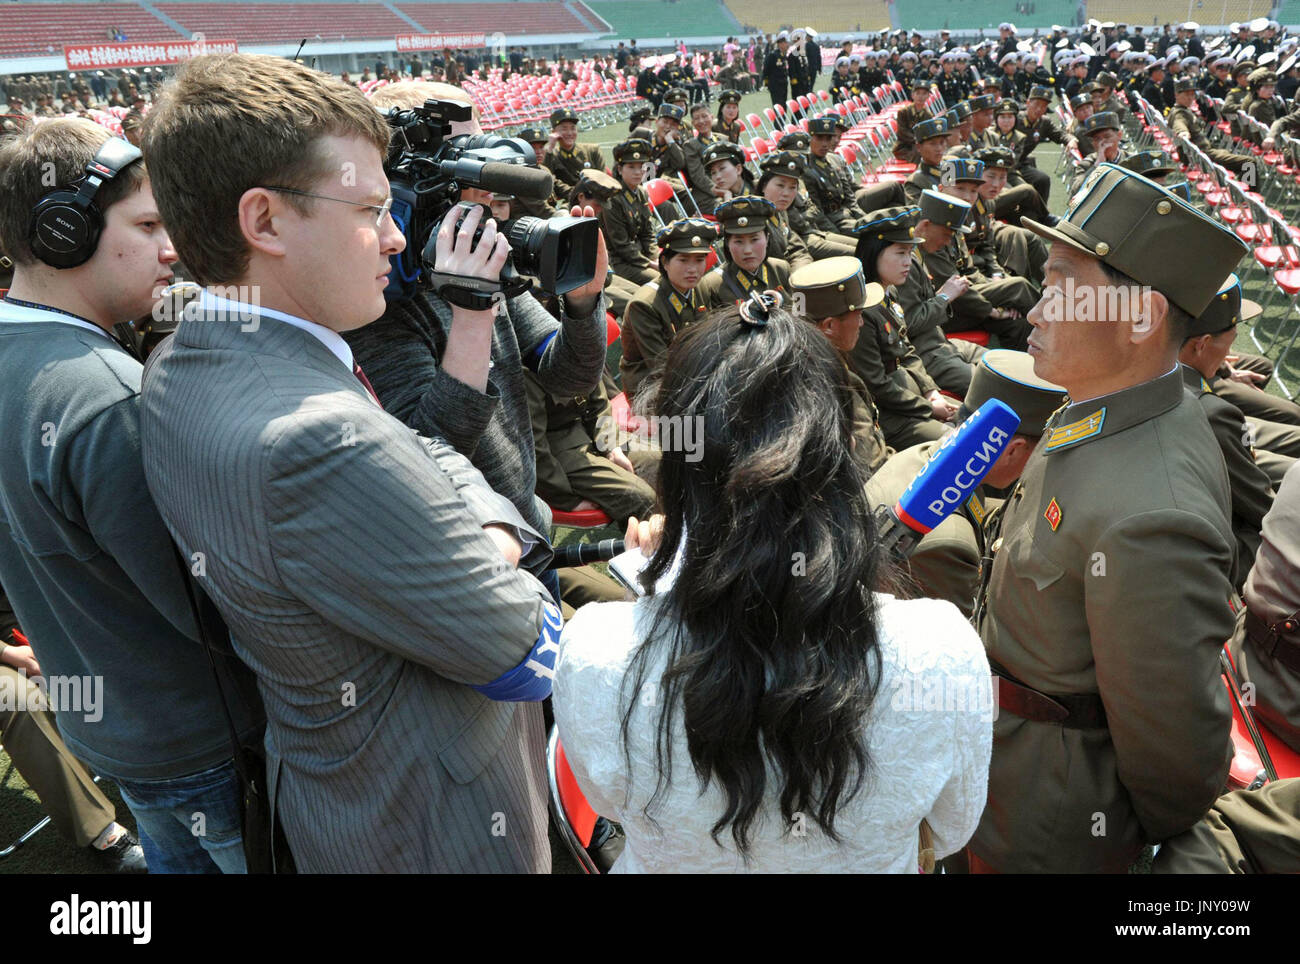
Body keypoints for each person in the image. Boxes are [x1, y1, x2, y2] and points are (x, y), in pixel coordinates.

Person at [140, 52, 566, 874]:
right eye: (372, 209)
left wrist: (446, 505)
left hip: (342, 795)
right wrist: (500, 536)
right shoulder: (323, 439)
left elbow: (426, 447)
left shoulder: (183, 354)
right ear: (263, 223)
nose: (401, 236)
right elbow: (524, 652)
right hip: (437, 824)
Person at [553, 302, 992, 873]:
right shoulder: (943, 649)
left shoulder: (593, 648)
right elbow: (953, 826)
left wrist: (652, 596)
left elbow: (611, 801)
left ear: (680, 466)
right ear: (839, 456)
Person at [0, 117, 263, 873]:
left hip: (111, 731)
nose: (171, 248)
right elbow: (209, 606)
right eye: (147, 225)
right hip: (195, 737)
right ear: (63, 231)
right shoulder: (105, 397)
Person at [972, 164, 1249, 874]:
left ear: (1139, 318)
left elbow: (1171, 754)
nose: (1037, 309)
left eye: (1063, 288)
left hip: (1052, 818)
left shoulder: (1153, 510)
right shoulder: (1100, 406)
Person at [865, 351, 1067, 617]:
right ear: (1012, 450)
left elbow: (978, 509)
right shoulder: (948, 544)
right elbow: (957, 639)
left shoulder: (927, 457)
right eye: (1044, 450)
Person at [1178, 275, 1277, 588]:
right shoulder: (1214, 414)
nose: (1230, 350)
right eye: (1231, 340)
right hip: (1205, 566)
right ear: (1203, 343)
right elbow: (1265, 510)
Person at [789, 257, 892, 472]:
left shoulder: (801, 358)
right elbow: (873, 466)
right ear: (829, 326)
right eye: (859, 315)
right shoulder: (832, 382)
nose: (862, 323)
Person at [619, 219, 716, 404]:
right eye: (683, 260)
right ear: (665, 262)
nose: (692, 269)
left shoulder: (700, 286)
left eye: (699, 260)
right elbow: (659, 367)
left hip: (694, 372)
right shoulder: (645, 304)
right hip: (650, 387)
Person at [697, 196, 791, 308]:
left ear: (767, 238)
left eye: (754, 239)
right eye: (738, 241)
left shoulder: (781, 269)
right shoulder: (712, 285)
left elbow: (800, 311)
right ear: (727, 243)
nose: (747, 250)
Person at [604, 139, 660, 286]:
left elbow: (648, 232)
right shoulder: (613, 199)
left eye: (641, 166)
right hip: (618, 262)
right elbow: (621, 246)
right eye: (631, 167)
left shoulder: (641, 193)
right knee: (661, 279)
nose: (637, 172)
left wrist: (655, 256)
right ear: (620, 169)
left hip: (639, 255)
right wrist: (651, 264)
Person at [543, 107, 605, 201]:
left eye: (573, 128)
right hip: (572, 201)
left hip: (597, 198)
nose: (569, 133)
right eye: (564, 129)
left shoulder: (592, 150)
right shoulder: (552, 155)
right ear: (554, 132)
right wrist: (550, 147)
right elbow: (546, 179)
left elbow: (602, 178)